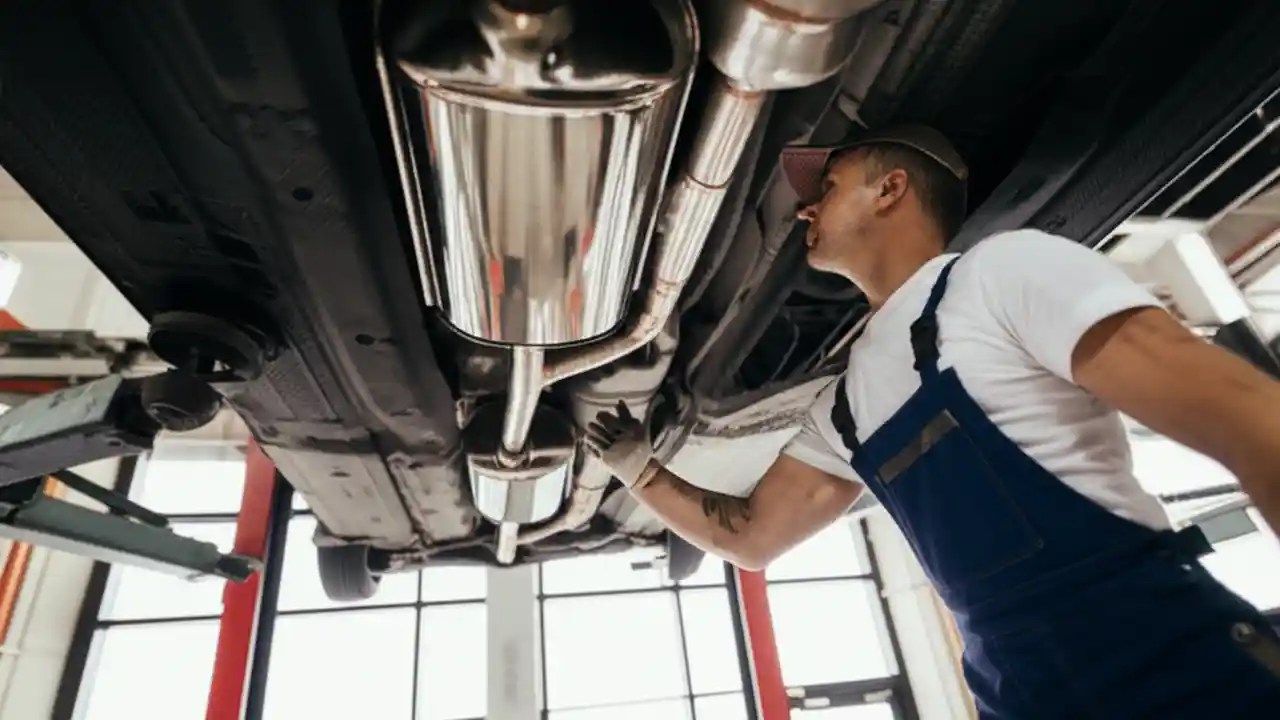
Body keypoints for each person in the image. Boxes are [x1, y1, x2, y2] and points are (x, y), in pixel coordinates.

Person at [584, 125, 1280, 717]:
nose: (804, 210)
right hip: (1019, 694)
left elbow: (1251, 422)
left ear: (890, 189)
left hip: (1174, 668)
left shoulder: (1000, 276)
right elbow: (752, 539)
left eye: (827, 186)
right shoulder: (842, 407)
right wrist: (640, 469)